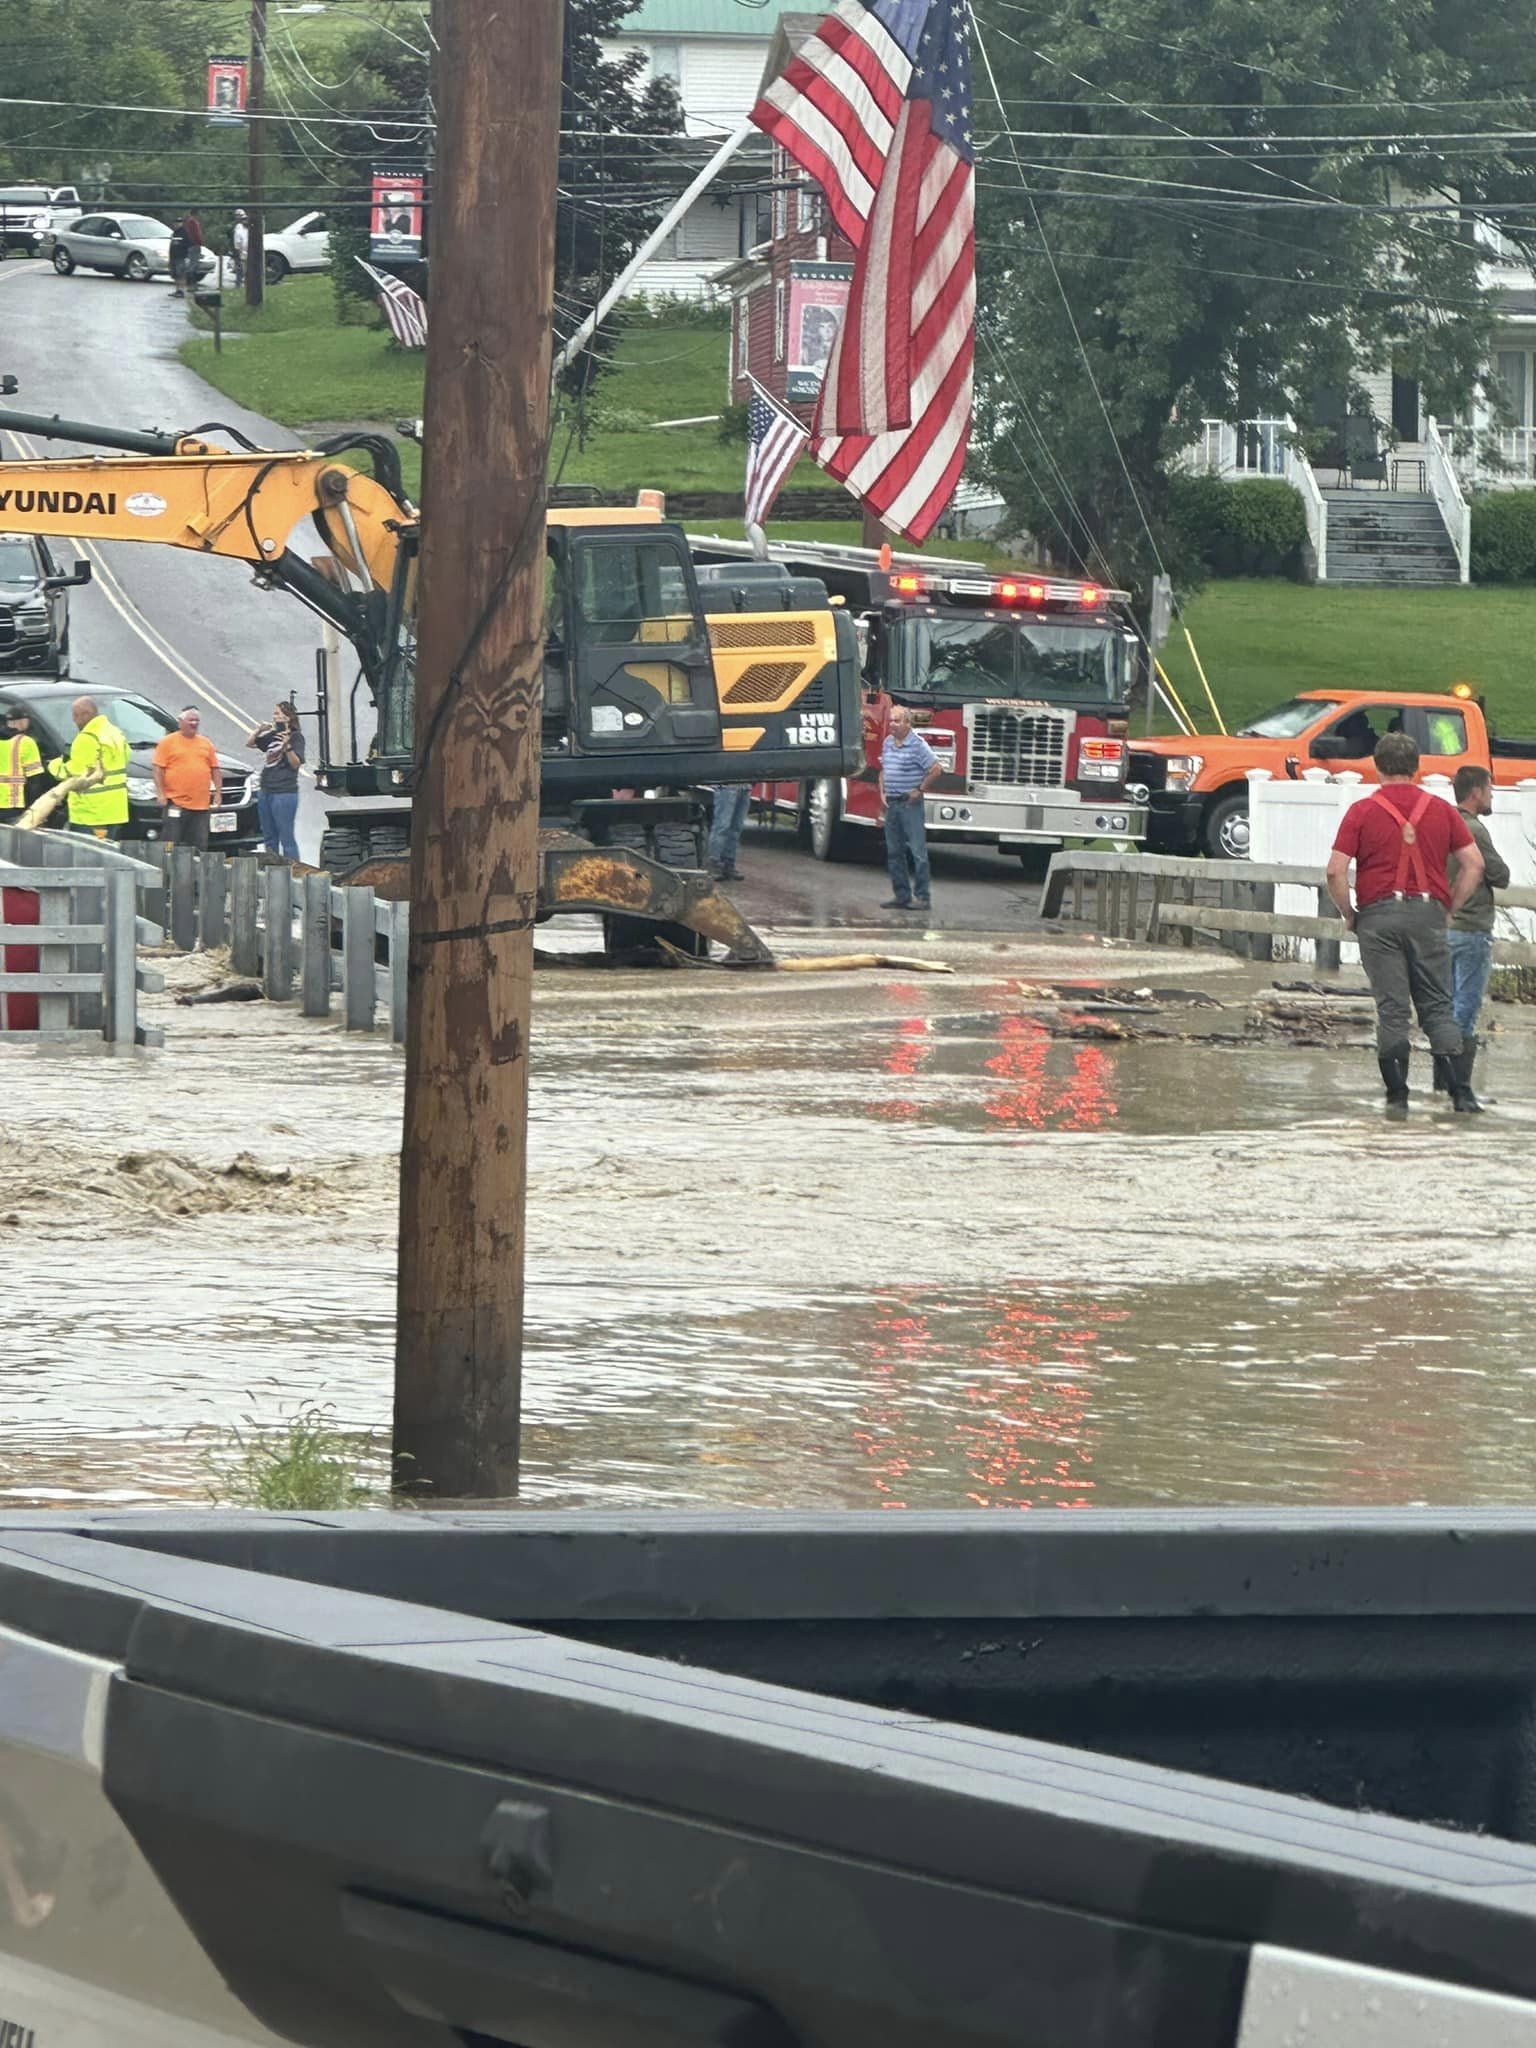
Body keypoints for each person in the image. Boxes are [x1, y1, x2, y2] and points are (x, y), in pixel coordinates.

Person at [1325, 731, 1484, 1116]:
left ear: (1377, 766)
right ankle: (1461, 1095)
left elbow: (1334, 872)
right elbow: (1474, 865)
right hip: (1429, 915)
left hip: (1378, 917)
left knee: (1393, 1009)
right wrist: (1449, 908)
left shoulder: (1361, 811)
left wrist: (1349, 914)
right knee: (1437, 1007)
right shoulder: (1442, 810)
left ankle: (1397, 1100)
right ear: (1416, 767)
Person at [1446, 763, 1510, 1045]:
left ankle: (1443, 1064)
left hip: (1443, 927)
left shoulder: (1444, 824)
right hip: (1471, 927)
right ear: (1475, 792)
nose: (1492, 795)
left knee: (1446, 1004)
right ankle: (1458, 1068)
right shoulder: (1474, 830)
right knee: (1467, 1006)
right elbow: (1500, 875)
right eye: (1489, 789)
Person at [879, 702, 941, 912]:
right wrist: (882, 792)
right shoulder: (888, 743)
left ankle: (923, 897)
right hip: (892, 804)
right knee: (894, 851)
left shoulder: (918, 745)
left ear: (907, 723)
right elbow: (884, 769)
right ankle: (902, 896)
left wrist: (919, 790)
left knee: (918, 852)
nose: (892, 724)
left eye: (896, 721)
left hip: (910, 804)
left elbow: (936, 769)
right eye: (891, 720)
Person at [45, 695, 129, 838]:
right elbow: (125, 758)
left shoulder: (87, 737)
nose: (74, 720)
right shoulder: (114, 732)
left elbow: (76, 771)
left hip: (91, 812)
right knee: (107, 850)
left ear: (84, 715)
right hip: (115, 810)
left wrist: (54, 766)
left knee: (88, 850)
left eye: (75, 715)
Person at [152, 706, 222, 851]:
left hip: (201, 806)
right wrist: (160, 793)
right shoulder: (167, 742)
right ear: (180, 722)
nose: (194, 723)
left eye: (196, 720)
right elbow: (158, 769)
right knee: (171, 842)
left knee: (199, 844)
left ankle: (196, 865)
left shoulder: (205, 743)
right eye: (190, 720)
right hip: (175, 803)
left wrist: (218, 793)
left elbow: (215, 769)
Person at [247, 700, 304, 861]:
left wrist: (287, 747)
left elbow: (296, 764)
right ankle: (272, 866)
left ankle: (292, 867)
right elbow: (250, 743)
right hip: (266, 789)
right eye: (275, 713)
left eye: (278, 714)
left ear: (288, 717)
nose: (275, 717)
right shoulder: (273, 735)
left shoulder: (296, 737)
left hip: (284, 791)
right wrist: (259, 730)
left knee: (286, 836)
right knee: (269, 836)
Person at [0, 705, 46, 823]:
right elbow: (35, 781)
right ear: (22, 721)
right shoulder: (26, 742)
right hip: (14, 807)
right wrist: (33, 810)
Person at [707, 783, 751, 882]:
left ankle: (728, 864)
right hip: (727, 786)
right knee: (722, 826)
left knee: (736, 828)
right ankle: (714, 865)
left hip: (745, 787)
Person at [231, 208, 249, 288]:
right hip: (240, 250)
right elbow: (237, 240)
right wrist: (238, 250)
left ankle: (244, 284)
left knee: (244, 269)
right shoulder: (238, 227)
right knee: (240, 268)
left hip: (245, 250)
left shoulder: (245, 228)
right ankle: (239, 285)